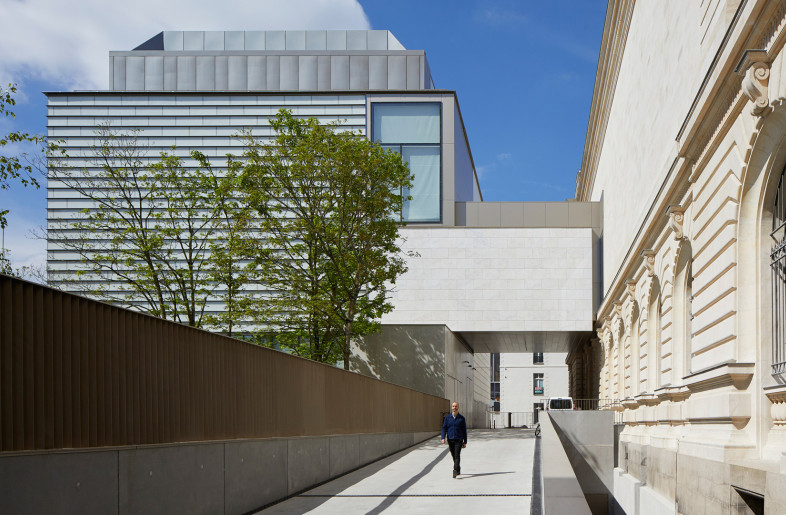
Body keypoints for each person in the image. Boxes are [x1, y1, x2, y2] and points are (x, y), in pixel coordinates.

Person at [441, 401, 467, 478]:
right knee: (453, 455)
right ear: (451, 407)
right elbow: (444, 428)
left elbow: (464, 430)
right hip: (450, 439)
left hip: (459, 440)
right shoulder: (447, 418)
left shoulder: (461, 418)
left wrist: (465, 441)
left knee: (457, 455)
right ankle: (458, 468)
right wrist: (443, 437)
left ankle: (455, 470)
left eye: (456, 406)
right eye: (453, 406)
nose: (454, 407)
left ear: (458, 407)